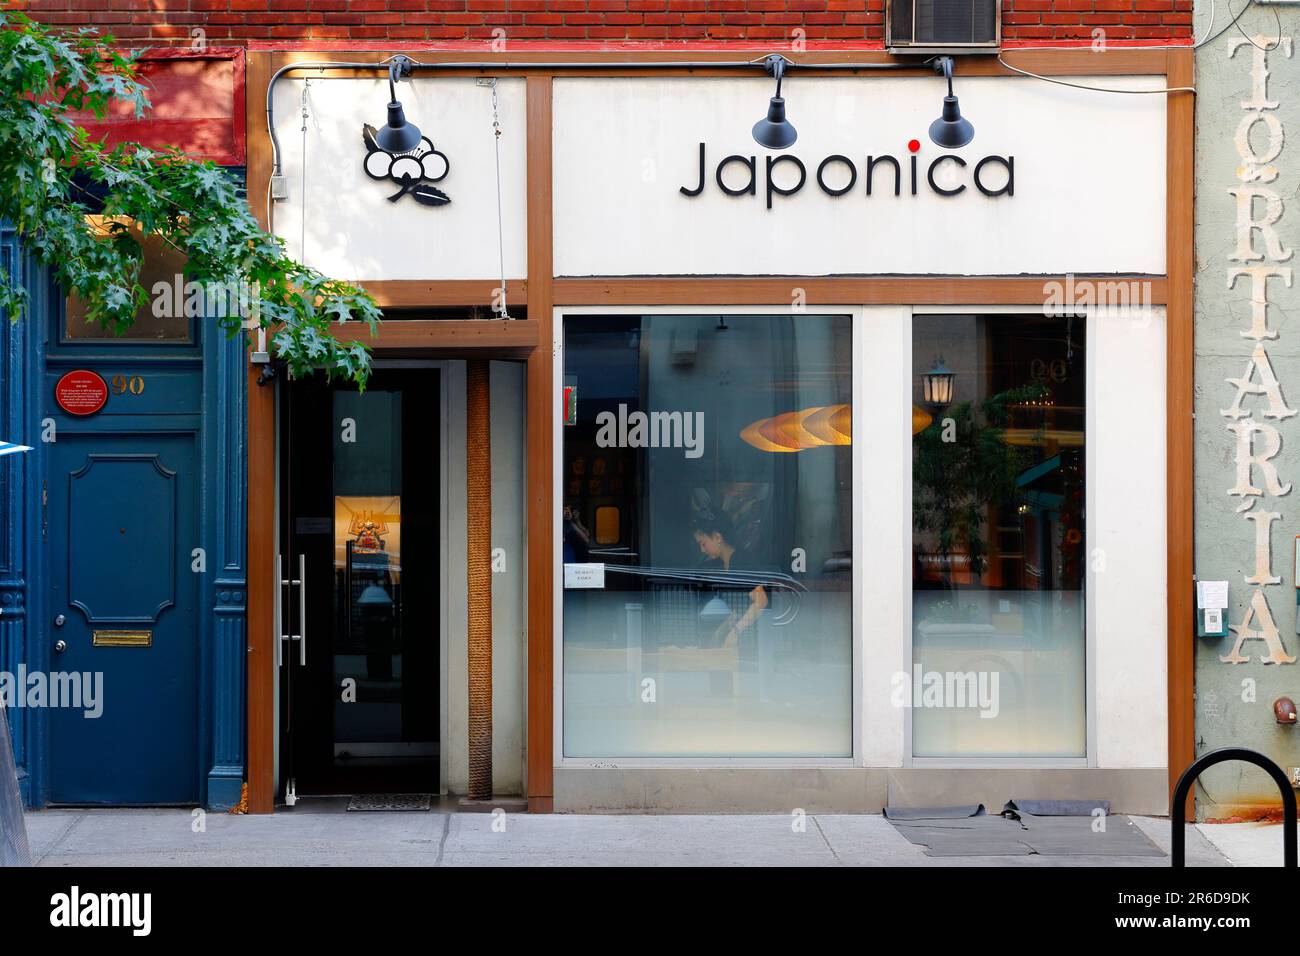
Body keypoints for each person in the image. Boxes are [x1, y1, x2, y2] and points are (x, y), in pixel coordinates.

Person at [693, 510, 768, 649]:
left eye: (703, 543)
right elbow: (736, 610)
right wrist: (719, 634)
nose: (702, 550)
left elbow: (761, 601)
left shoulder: (741, 561)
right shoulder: (723, 564)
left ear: (717, 537)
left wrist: (736, 632)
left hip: (755, 641)